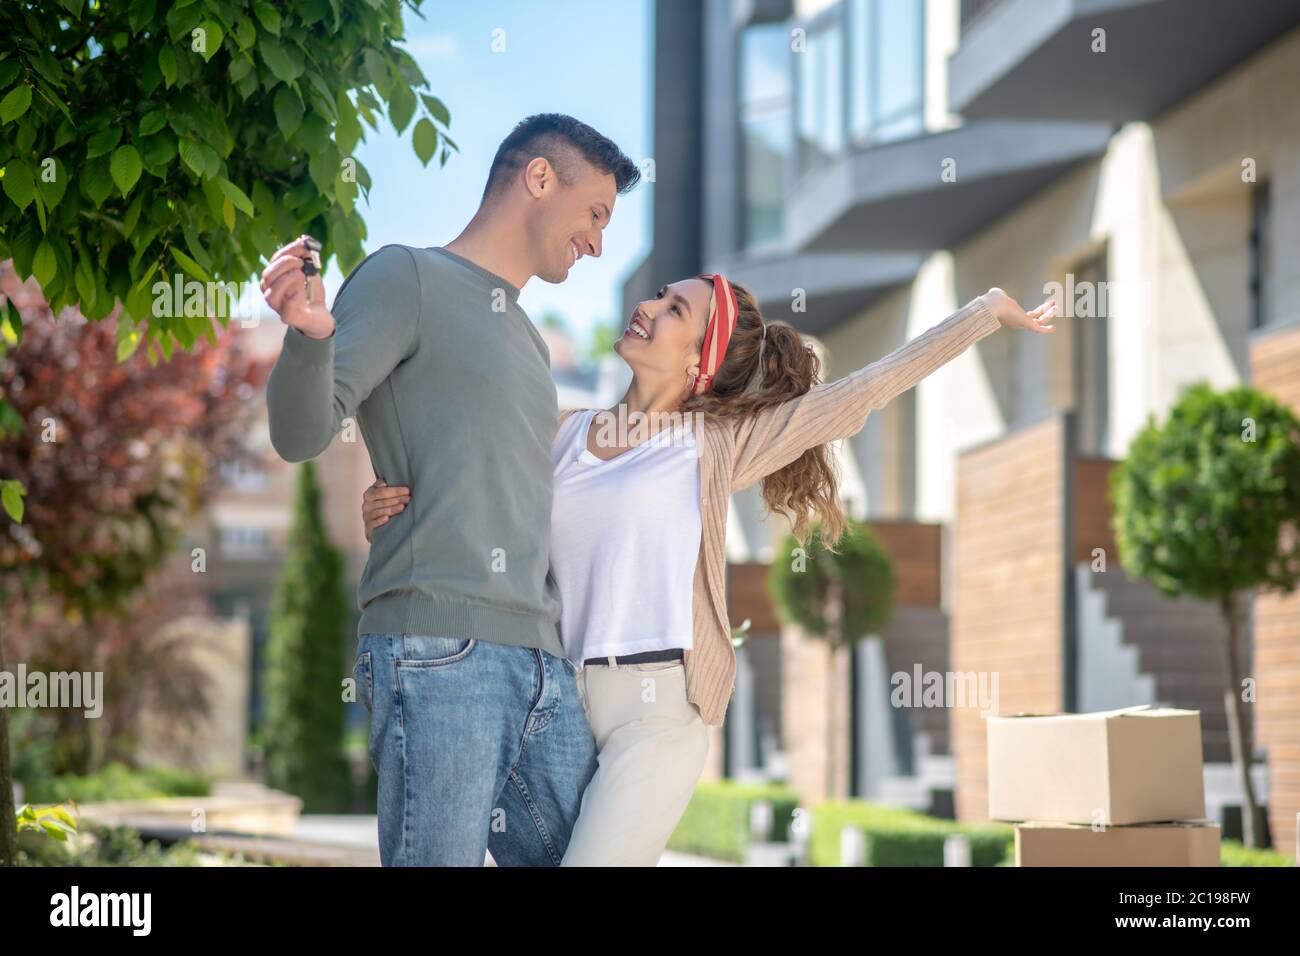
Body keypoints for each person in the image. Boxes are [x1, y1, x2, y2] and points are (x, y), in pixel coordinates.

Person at [362, 272, 1057, 865]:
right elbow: (479, 505)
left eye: (675, 312)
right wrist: (390, 509)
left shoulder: (712, 446)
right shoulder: (563, 431)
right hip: (552, 700)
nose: (650, 308)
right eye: (660, 295)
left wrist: (984, 313)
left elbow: (858, 396)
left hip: (657, 717)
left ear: (701, 361)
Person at [260, 114, 641, 866]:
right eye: (595, 213)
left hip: (540, 658)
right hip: (441, 648)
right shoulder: (408, 276)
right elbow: (302, 434)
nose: (598, 241)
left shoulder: (532, 340)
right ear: (539, 179)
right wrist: (309, 334)